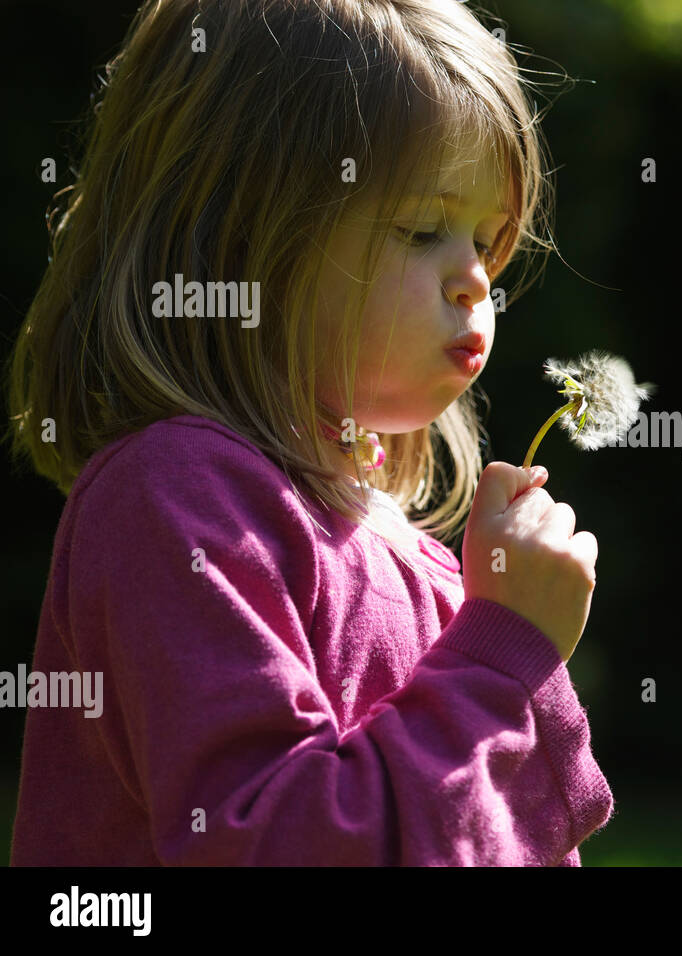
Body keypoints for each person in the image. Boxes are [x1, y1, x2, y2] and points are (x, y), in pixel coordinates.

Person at [5, 0, 612, 865]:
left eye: (487, 239)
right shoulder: (177, 496)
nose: (477, 279)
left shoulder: (441, 573)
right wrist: (500, 651)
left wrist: (502, 639)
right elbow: (278, 841)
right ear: (245, 229)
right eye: (422, 229)